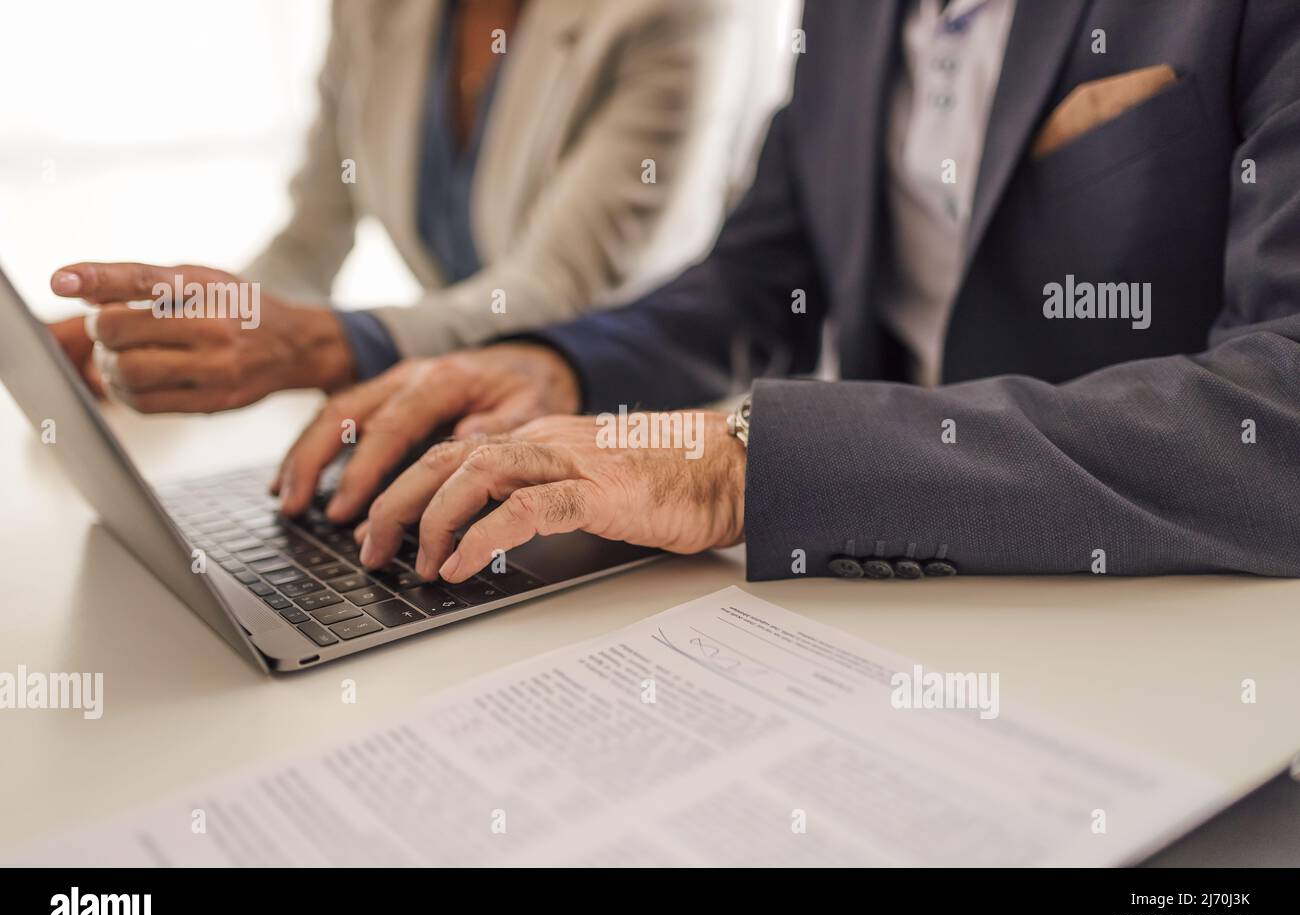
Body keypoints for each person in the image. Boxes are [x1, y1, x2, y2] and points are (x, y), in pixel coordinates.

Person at [65, 0, 1300, 585]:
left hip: (1158, 607)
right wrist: (561, 367)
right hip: (881, 601)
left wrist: (739, 461)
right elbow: (763, 280)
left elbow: (1278, 407)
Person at [46, 0, 793, 409]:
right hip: (445, 416)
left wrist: (320, 343)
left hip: (630, 426)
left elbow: (564, 290)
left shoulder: (672, 13)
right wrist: (182, 331)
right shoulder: (373, 12)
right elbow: (308, 240)